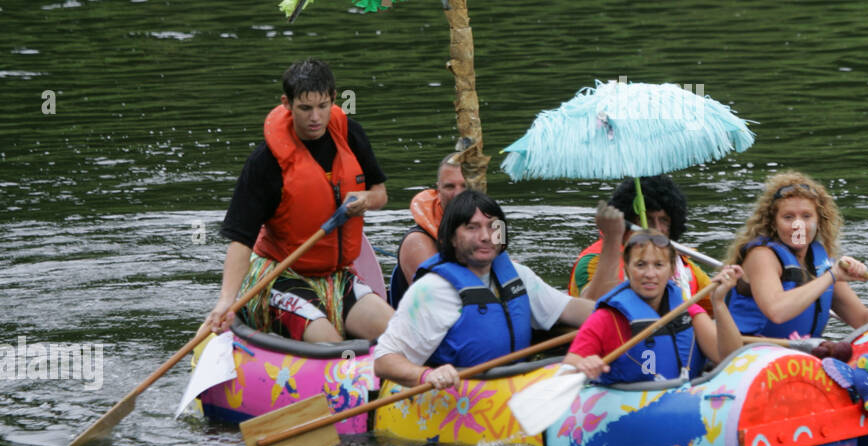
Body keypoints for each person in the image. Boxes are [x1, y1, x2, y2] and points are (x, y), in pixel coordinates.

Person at [204, 59, 395, 343]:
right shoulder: (265, 162)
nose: (315, 117)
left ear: (333, 98)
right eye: (305, 108)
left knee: (402, 335)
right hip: (281, 276)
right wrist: (225, 301)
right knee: (332, 346)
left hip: (336, 277)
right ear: (287, 104)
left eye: (322, 106)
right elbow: (240, 239)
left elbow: (381, 195)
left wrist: (366, 199)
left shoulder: (350, 135)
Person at [375, 190, 596, 388]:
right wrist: (426, 375)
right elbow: (384, 360)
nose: (485, 236)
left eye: (493, 227)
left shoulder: (518, 275)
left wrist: (622, 314)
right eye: (472, 228)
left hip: (517, 387)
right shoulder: (431, 290)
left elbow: (572, 309)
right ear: (451, 237)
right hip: (456, 398)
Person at [723, 172, 868, 339]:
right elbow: (776, 312)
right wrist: (833, 276)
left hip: (795, 358)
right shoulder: (762, 256)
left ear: (819, 221)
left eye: (806, 216)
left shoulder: (821, 263)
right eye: (788, 217)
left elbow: (861, 319)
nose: (798, 225)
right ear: (773, 222)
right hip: (750, 353)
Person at [563, 232, 745, 385]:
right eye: (640, 265)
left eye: (658, 265)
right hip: (628, 415)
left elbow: (730, 359)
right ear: (627, 268)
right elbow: (569, 367)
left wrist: (719, 303)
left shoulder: (687, 311)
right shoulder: (606, 317)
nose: (650, 274)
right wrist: (584, 365)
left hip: (684, 405)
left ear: (671, 269)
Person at [568, 175, 710, 307]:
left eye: (663, 220)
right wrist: (612, 239)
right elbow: (592, 310)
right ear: (628, 222)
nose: (657, 229)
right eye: (648, 219)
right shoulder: (592, 261)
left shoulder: (683, 264)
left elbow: (720, 301)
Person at [388, 154, 467, 307]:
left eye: (465, 186)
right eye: (449, 186)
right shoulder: (417, 242)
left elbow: (504, 264)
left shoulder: (493, 225)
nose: (458, 194)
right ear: (438, 190)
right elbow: (439, 304)